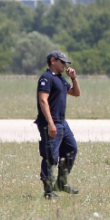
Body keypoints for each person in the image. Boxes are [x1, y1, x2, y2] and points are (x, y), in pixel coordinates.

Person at [36, 50, 81, 199]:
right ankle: (48, 191)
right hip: (50, 122)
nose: (64, 65)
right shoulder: (46, 78)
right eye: (62, 62)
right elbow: (43, 100)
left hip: (62, 122)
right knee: (51, 156)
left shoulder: (60, 79)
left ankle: (61, 182)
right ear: (53, 61)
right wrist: (50, 123)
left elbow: (75, 93)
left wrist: (74, 78)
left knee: (71, 149)